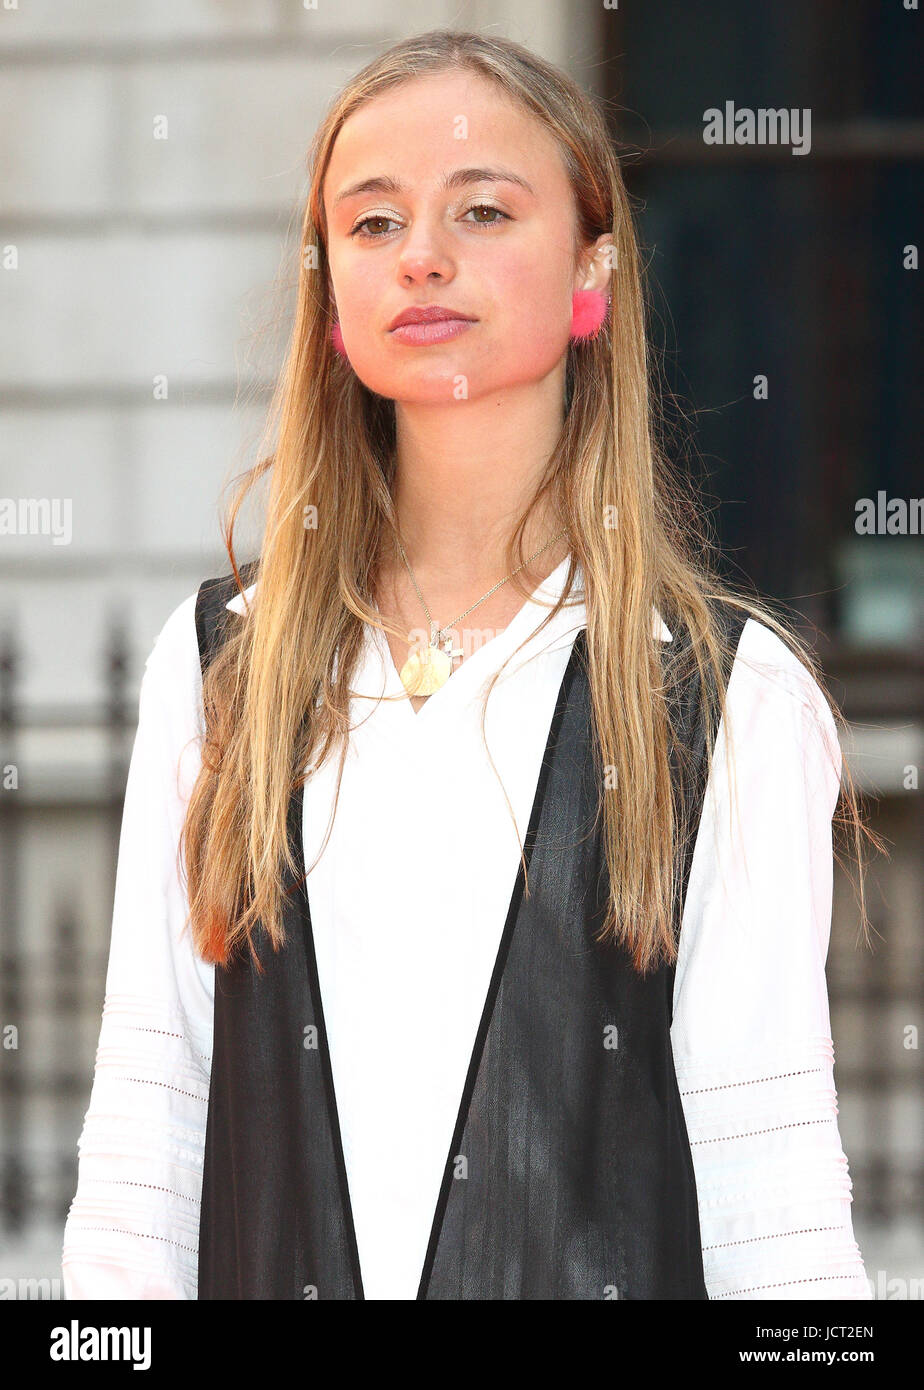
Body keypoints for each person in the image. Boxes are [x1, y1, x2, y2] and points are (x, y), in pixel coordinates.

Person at [62, 29, 877, 1300]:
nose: (423, 256)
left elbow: (772, 1193)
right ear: (333, 294)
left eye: (483, 208)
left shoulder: (724, 695)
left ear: (592, 265)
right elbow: (146, 1140)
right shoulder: (219, 667)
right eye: (373, 223)